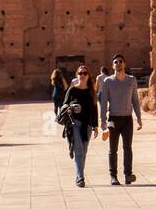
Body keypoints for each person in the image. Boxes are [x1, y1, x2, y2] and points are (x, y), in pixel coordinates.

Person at [99, 53, 142, 186]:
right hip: (113, 119)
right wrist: (102, 119)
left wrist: (139, 117)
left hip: (127, 119)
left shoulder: (131, 80)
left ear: (124, 64)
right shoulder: (108, 82)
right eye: (116, 62)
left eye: (120, 61)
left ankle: (128, 175)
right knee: (113, 149)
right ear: (113, 65)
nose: (118, 63)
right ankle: (113, 176)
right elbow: (104, 101)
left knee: (127, 148)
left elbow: (135, 99)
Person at [57, 65, 98, 188]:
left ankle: (79, 174)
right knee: (79, 150)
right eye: (80, 73)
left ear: (88, 75)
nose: (83, 75)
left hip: (88, 125)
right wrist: (70, 108)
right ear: (77, 75)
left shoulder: (91, 91)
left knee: (84, 151)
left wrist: (96, 126)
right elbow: (64, 105)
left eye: (85, 73)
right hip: (75, 123)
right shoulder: (72, 90)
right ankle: (80, 177)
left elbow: (95, 108)